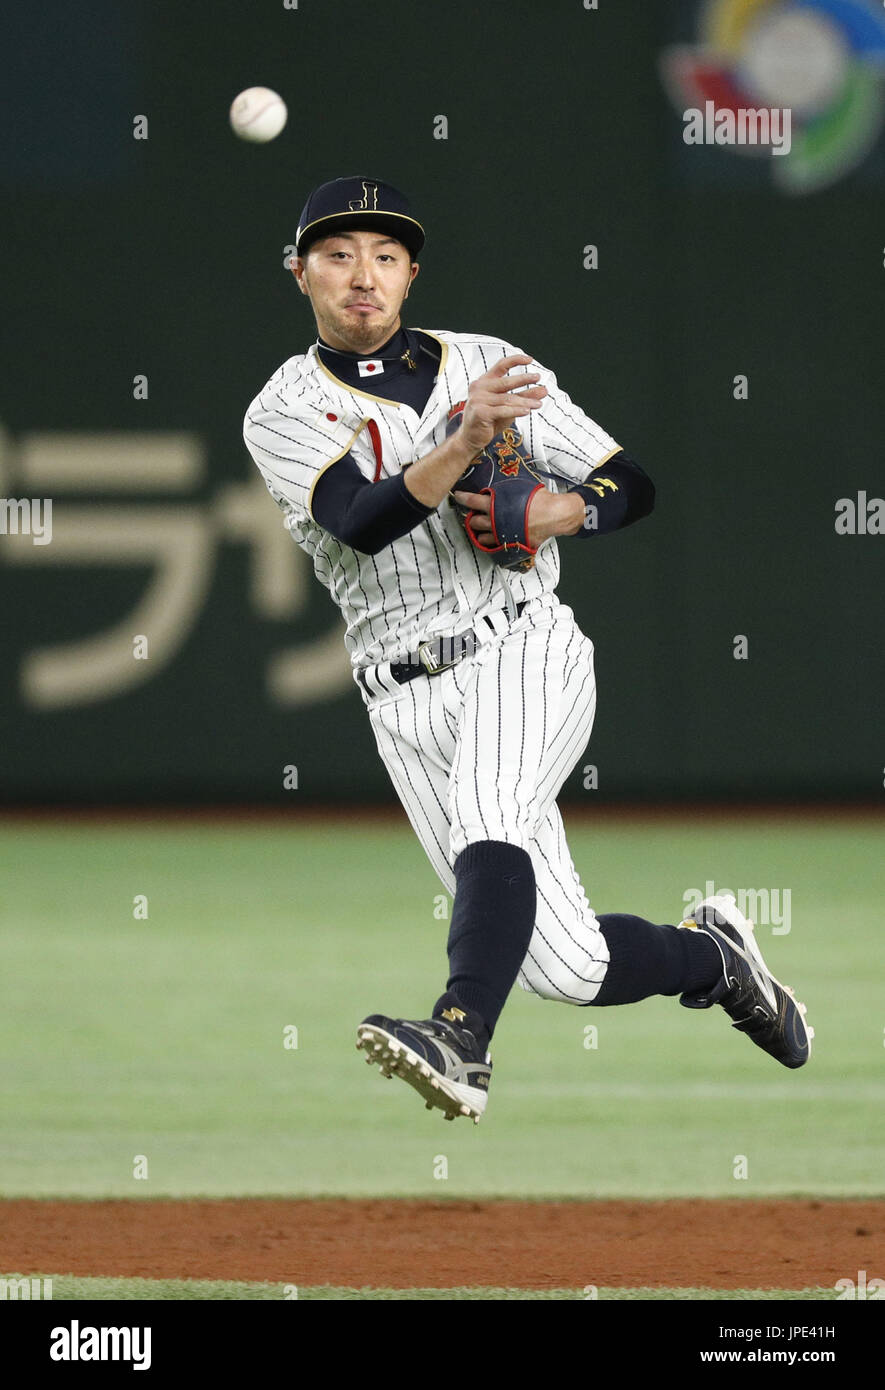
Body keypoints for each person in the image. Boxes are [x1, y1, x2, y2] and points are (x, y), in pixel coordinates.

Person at [243, 176, 812, 1124]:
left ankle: (460, 1035)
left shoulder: (490, 363)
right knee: (568, 964)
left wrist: (568, 510)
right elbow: (360, 523)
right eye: (337, 256)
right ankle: (713, 961)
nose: (362, 276)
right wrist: (466, 441)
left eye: (384, 257)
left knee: (489, 807)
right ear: (300, 272)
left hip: (521, 644)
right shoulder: (285, 407)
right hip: (401, 698)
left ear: (410, 273)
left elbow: (628, 482)